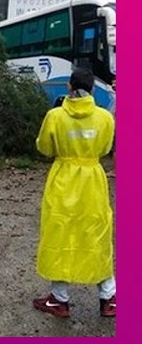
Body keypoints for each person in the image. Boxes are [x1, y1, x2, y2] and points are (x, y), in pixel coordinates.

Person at [32, 67, 116, 318]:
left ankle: (59, 299)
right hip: (92, 180)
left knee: (60, 233)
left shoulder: (55, 116)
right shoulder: (105, 118)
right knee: (97, 235)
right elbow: (105, 147)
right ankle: (109, 297)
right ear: (92, 88)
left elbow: (44, 147)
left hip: (64, 180)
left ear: (69, 86)